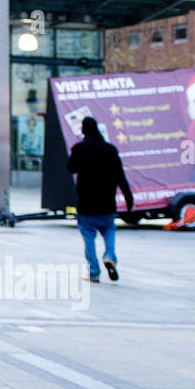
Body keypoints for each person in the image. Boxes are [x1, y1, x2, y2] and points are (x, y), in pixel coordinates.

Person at [66, 115, 133, 284]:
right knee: (109, 230)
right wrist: (128, 198)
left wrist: (76, 154)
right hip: (107, 203)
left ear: (83, 130)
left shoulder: (79, 149)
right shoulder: (110, 150)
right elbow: (120, 176)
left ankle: (94, 272)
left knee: (89, 236)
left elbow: (71, 168)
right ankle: (109, 255)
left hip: (86, 204)